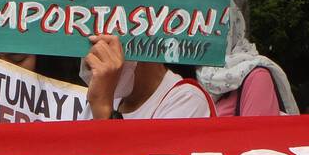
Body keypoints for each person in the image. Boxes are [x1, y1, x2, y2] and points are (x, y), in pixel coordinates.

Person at [81, 34, 215, 121]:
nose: (96, 61)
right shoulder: (108, 93)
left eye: (109, 47)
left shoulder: (187, 100)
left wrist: (103, 109)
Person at [197, 3, 299, 116]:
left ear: (231, 27)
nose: (199, 32)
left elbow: (257, 128)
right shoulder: (190, 73)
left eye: (206, 24)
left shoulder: (257, 78)